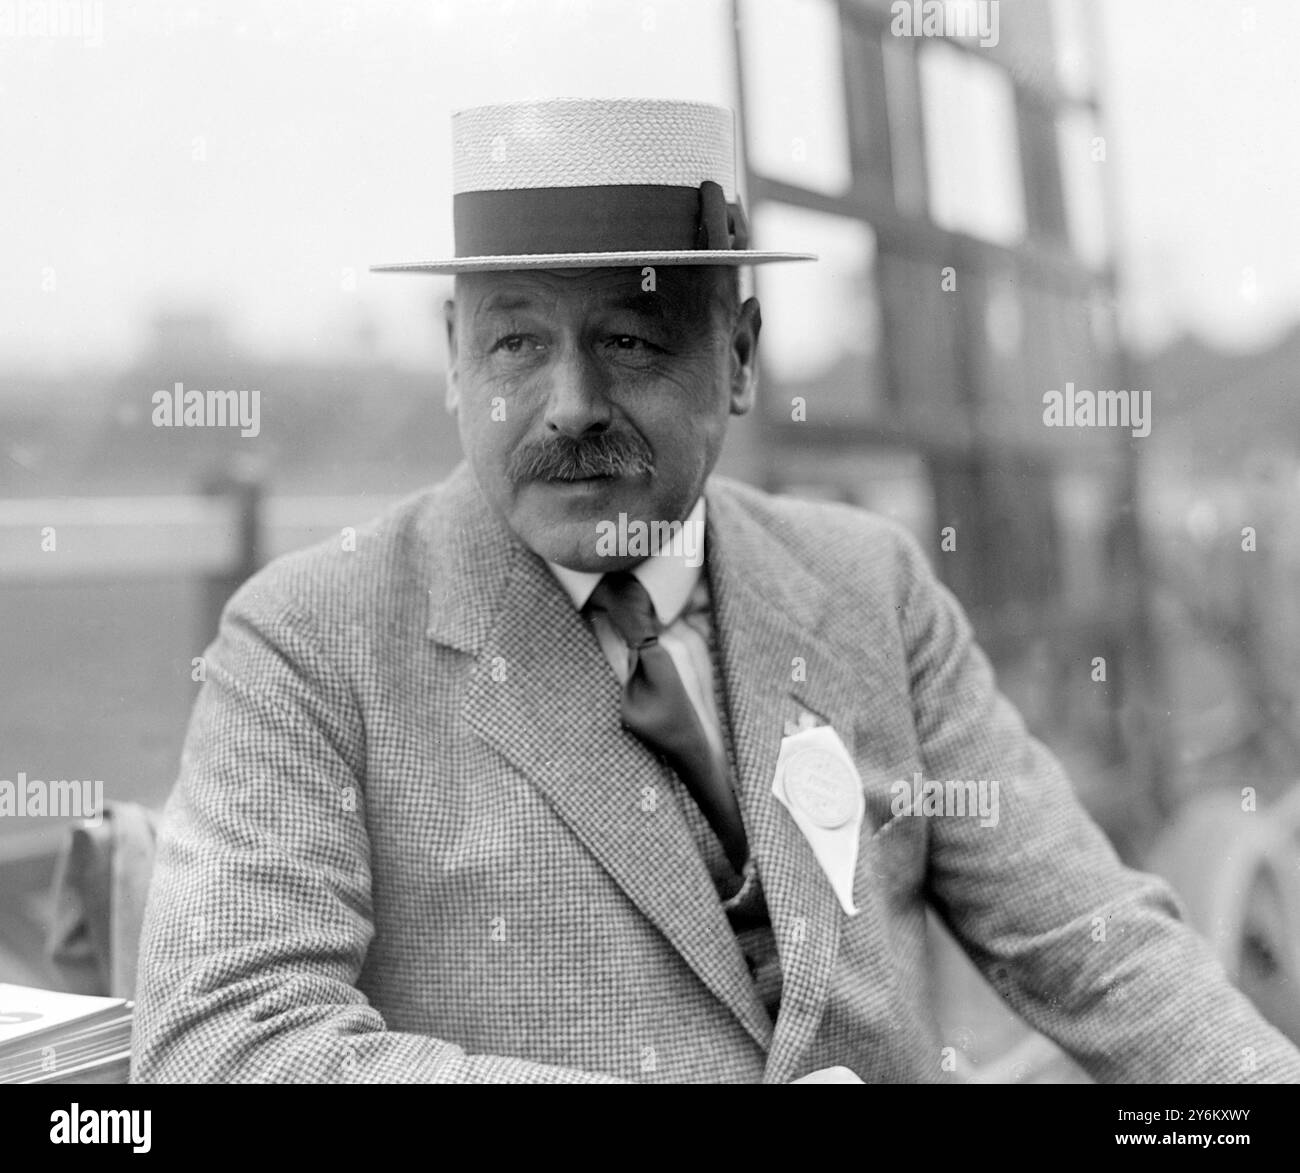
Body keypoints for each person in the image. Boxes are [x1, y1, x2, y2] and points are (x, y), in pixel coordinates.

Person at [131, 97, 1300, 1084]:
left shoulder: (866, 586)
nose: (571, 403)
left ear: (738, 355)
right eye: (516, 344)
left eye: (631, 341)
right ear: (453, 355)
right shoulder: (306, 642)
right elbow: (226, 1038)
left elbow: (1089, 942)